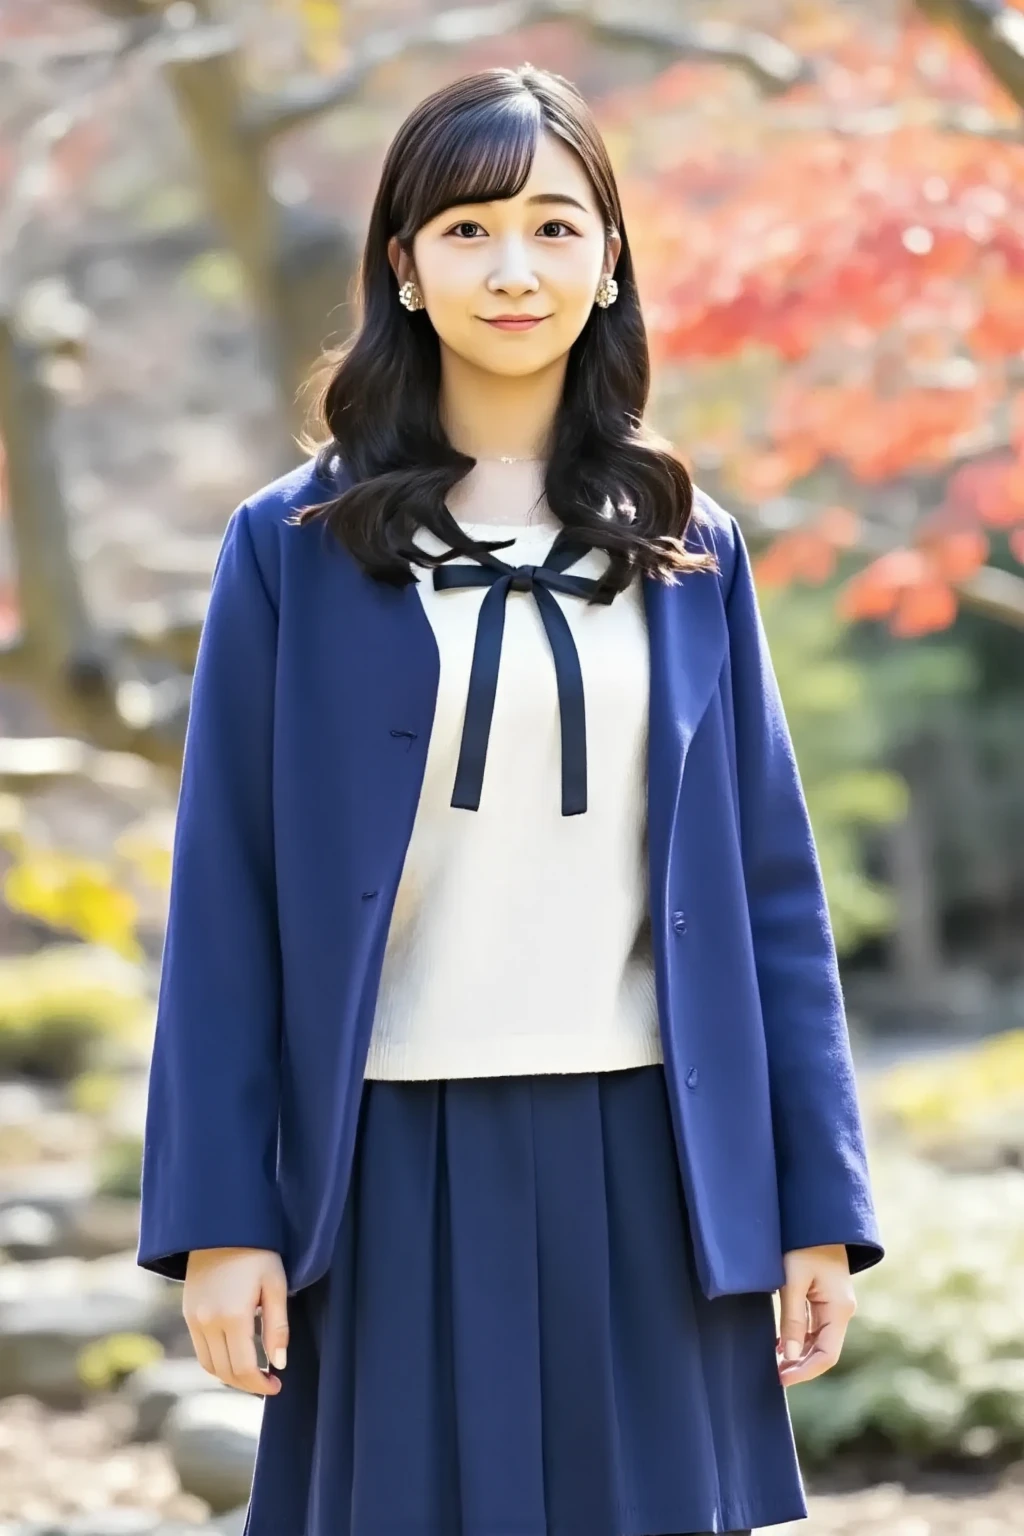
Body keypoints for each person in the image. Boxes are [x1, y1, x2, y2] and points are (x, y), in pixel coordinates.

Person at [137, 63, 884, 1536]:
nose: (515, 268)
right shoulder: (291, 546)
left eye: (554, 225)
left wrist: (816, 1203)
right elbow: (226, 890)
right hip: (384, 1165)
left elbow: (766, 890)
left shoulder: (684, 548)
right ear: (403, 268)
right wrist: (223, 1222)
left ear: (610, 259)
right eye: (468, 230)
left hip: (654, 1163)